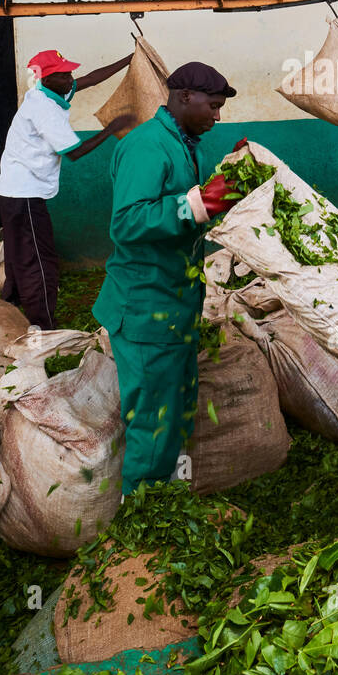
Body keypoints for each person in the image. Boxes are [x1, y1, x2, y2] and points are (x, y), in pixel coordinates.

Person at [93, 61, 246, 496]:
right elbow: (126, 223)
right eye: (213, 107)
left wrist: (229, 184)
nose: (217, 116)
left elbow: (190, 207)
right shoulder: (146, 146)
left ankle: (173, 494)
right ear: (183, 98)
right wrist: (199, 205)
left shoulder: (188, 145)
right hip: (145, 308)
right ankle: (142, 512)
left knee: (177, 408)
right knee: (152, 417)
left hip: (177, 305)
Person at [0, 48, 134, 329]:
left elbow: (91, 79)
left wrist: (130, 59)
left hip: (14, 190)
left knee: (18, 253)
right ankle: (44, 324)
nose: (71, 78)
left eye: (70, 72)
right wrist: (112, 128)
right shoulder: (44, 110)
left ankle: (10, 302)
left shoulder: (46, 92)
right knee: (39, 258)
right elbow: (75, 152)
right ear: (47, 79)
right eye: (64, 74)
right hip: (25, 193)